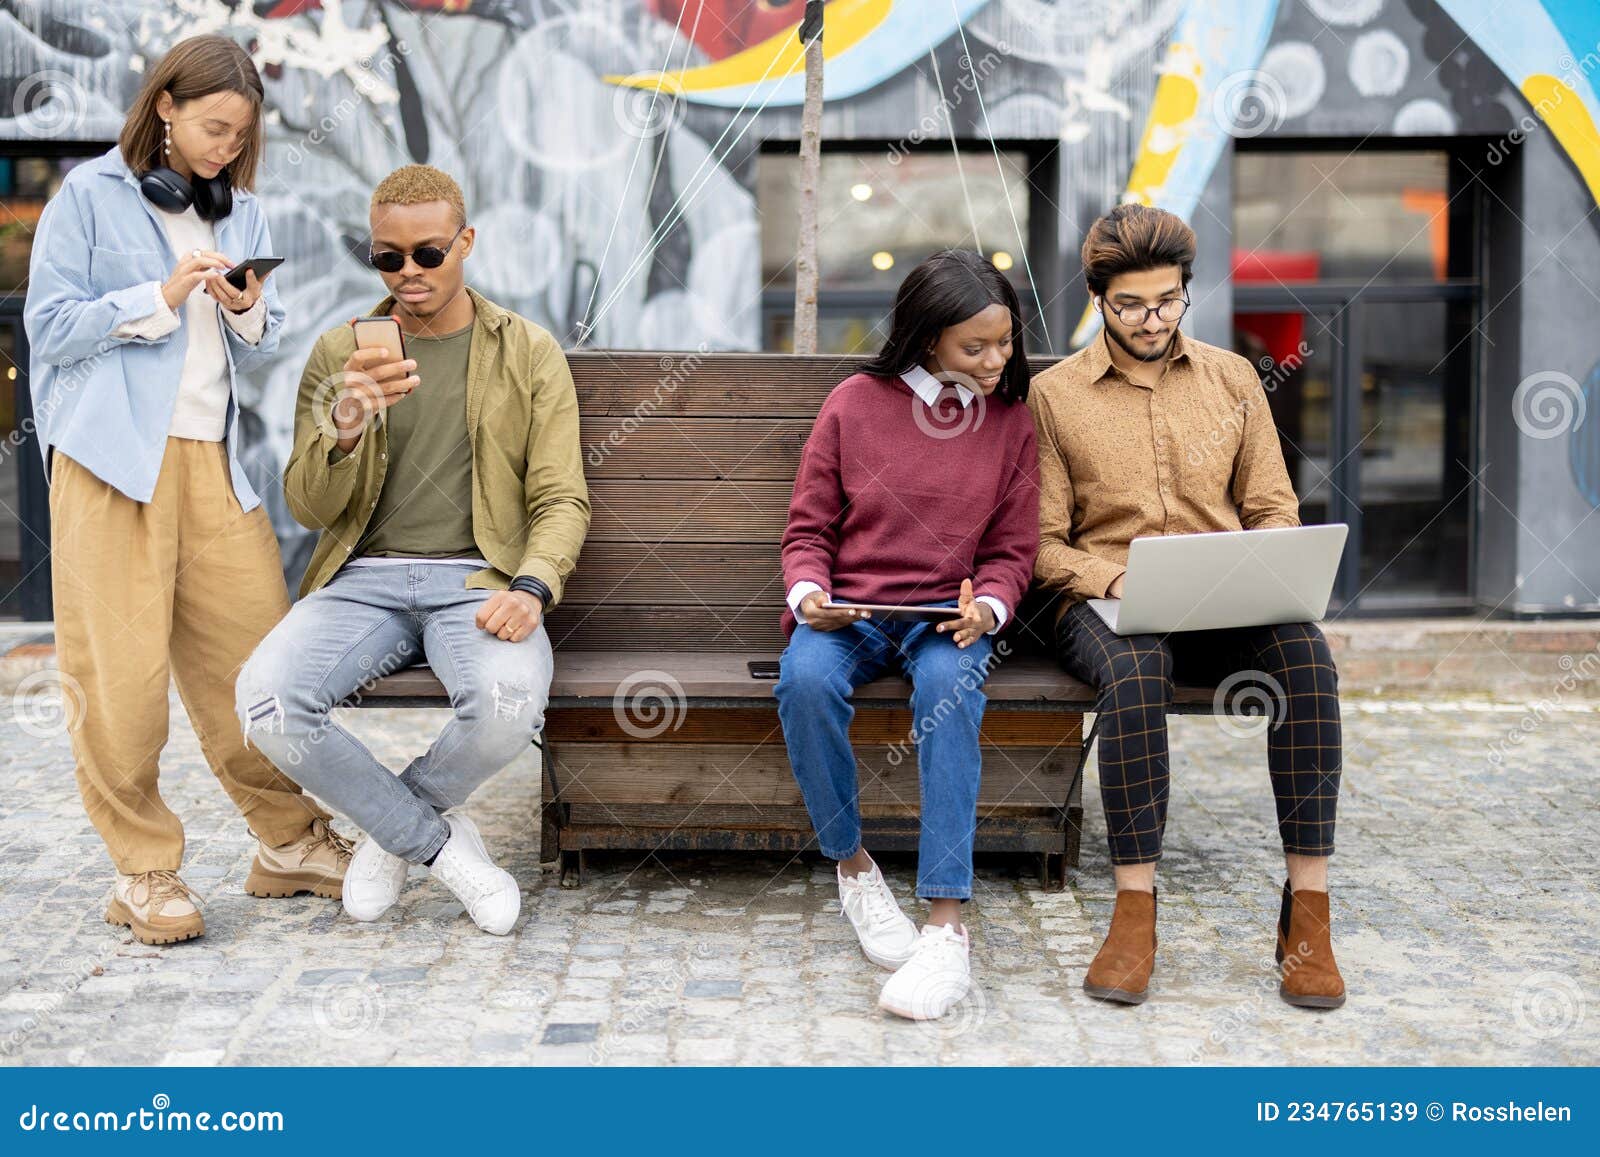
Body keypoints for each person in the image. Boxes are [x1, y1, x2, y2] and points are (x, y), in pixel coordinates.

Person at [23, 34, 351, 947]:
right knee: (119, 678)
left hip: (211, 459)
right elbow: (50, 327)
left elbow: (265, 339)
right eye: (213, 128)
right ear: (165, 106)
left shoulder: (240, 210)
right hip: (111, 463)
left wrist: (247, 307)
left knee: (257, 663)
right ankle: (143, 869)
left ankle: (287, 840)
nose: (225, 148)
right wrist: (159, 297)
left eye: (240, 135)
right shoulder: (88, 196)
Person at [236, 164, 590, 937]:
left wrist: (532, 586)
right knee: (264, 702)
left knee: (508, 706)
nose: (408, 272)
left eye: (428, 253)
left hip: (479, 580)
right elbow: (307, 505)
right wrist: (345, 428)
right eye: (387, 257)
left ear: (466, 242)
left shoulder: (528, 351)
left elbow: (562, 498)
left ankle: (394, 823)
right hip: (362, 581)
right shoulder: (340, 352)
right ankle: (440, 846)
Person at [1030, 204, 1345, 1009]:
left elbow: (1273, 507)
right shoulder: (1053, 396)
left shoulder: (1234, 379)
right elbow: (1042, 544)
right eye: (1131, 305)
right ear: (1098, 299)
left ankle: (1309, 909)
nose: (1153, 319)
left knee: (1308, 657)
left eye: (1168, 300)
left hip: (1224, 599)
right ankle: (1134, 911)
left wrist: (1264, 558)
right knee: (1138, 670)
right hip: (1106, 605)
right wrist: (1116, 579)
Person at [775, 249, 1040, 1021]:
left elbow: (1013, 550)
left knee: (949, 687)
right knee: (804, 680)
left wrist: (990, 608)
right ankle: (853, 866)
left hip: (945, 621)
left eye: (1004, 342)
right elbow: (807, 531)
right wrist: (810, 595)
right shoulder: (853, 405)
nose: (995, 360)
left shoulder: (1010, 423)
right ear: (928, 339)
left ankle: (946, 921)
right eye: (974, 346)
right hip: (851, 614)